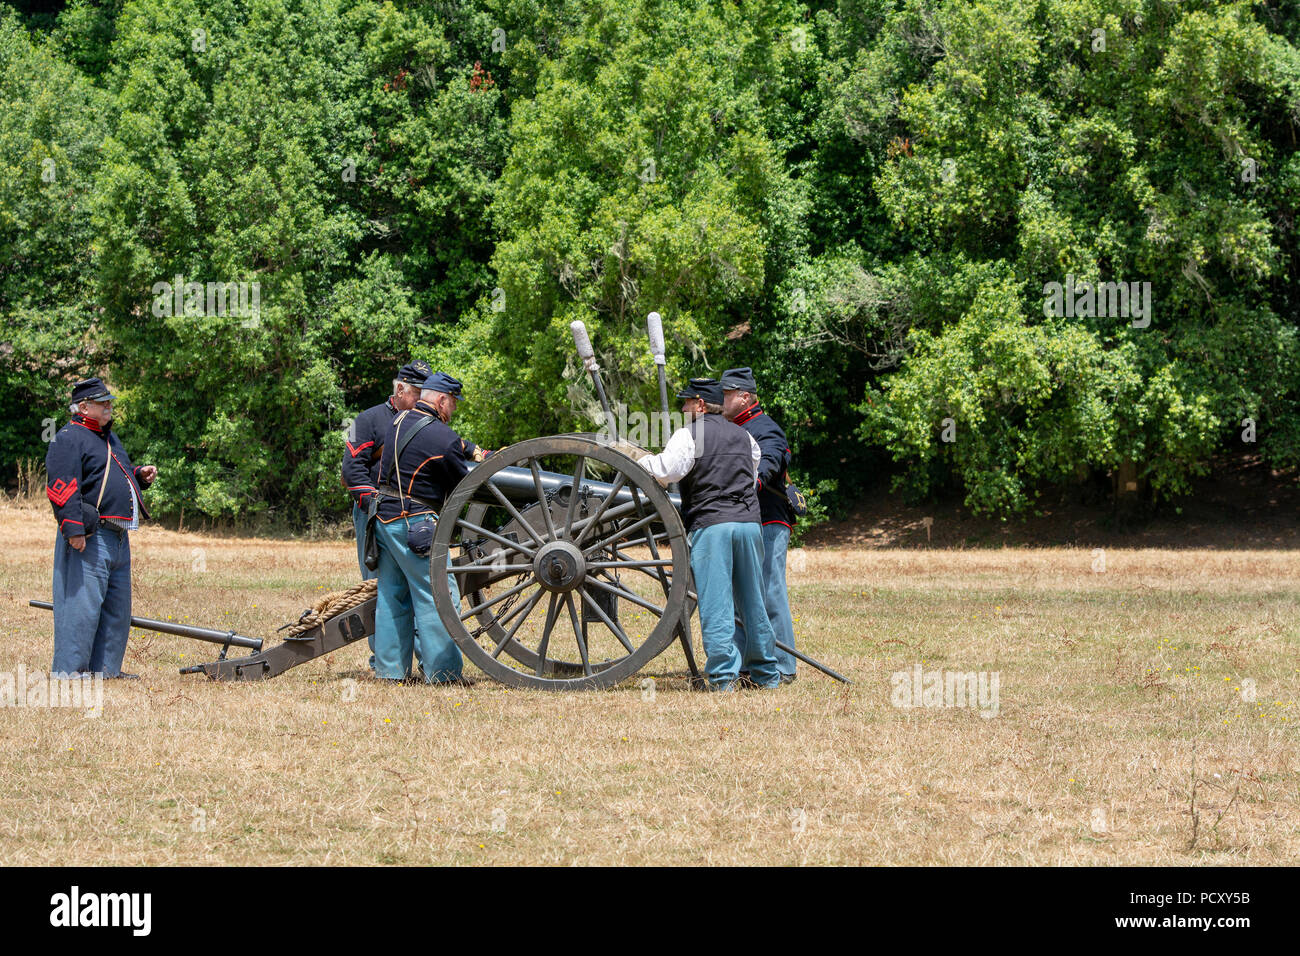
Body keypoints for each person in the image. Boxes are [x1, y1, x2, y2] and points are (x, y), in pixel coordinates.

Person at [637, 378, 778, 691]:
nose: (684, 408)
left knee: (716, 604)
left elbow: (666, 470)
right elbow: (751, 473)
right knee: (753, 600)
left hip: (712, 524)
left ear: (700, 404)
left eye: (687, 402)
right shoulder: (745, 437)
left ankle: (724, 678)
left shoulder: (689, 435)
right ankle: (766, 674)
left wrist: (637, 459)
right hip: (748, 524)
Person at [44, 377, 157, 678]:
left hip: (118, 536)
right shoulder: (67, 437)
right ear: (83, 407)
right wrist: (74, 529)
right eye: (102, 402)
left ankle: (106, 672)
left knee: (116, 611)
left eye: (109, 402)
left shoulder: (109, 438)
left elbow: (110, 473)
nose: (109, 406)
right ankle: (69, 673)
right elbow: (61, 487)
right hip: (91, 536)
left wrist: (138, 475)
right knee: (81, 608)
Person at [370, 371, 475, 683]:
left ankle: (390, 672)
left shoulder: (396, 421)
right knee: (437, 596)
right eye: (452, 404)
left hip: (385, 521)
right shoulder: (443, 438)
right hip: (418, 525)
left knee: (391, 595)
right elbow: (464, 484)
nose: (452, 410)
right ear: (441, 401)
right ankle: (443, 674)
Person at [721, 367, 799, 685]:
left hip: (769, 519)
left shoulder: (765, 427)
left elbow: (771, 459)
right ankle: (744, 666)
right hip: (741, 521)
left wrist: (751, 482)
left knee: (769, 592)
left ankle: (784, 666)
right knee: (740, 596)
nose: (722, 400)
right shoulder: (730, 428)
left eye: (727, 394)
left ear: (744, 396)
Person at [341, 360, 431, 579]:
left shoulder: (428, 423)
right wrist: (374, 507)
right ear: (400, 389)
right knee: (376, 581)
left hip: (416, 510)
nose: (422, 401)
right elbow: (351, 471)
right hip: (375, 510)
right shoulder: (366, 420)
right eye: (417, 393)